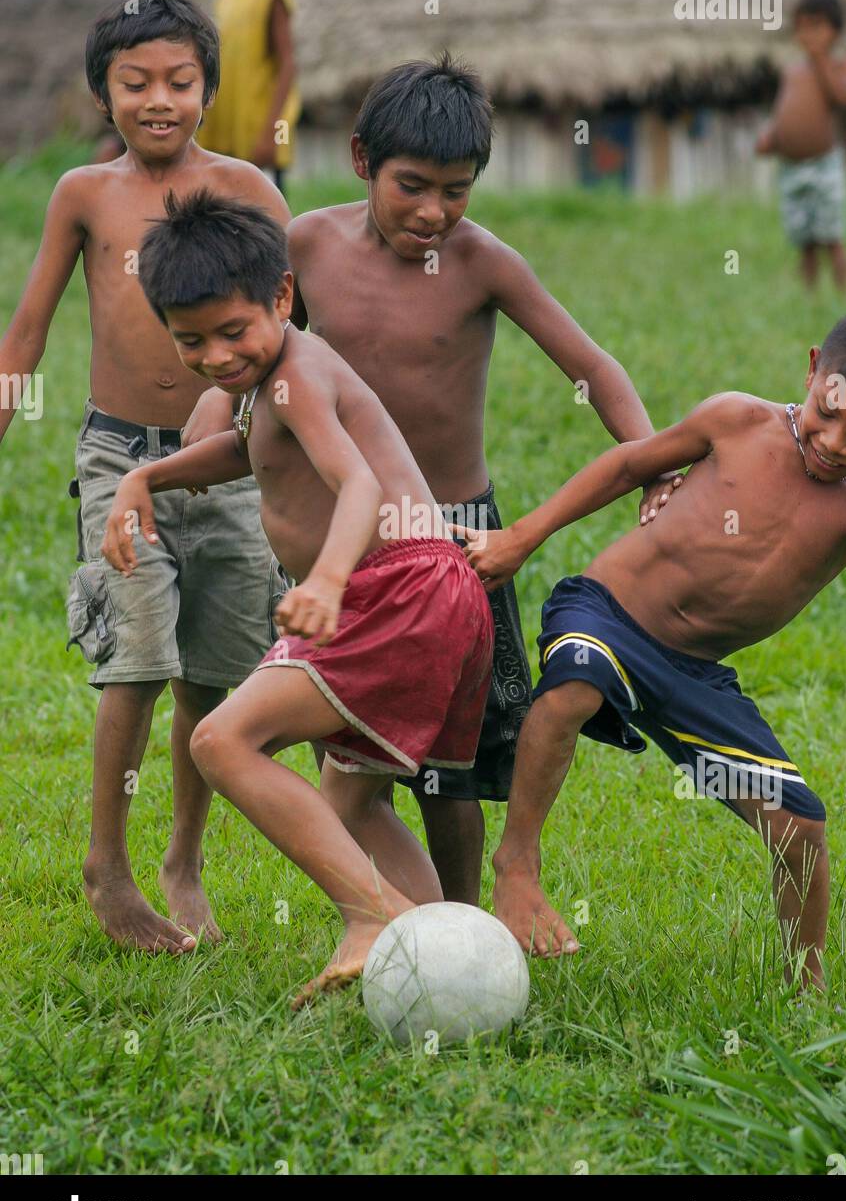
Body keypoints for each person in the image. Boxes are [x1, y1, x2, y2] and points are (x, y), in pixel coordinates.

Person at [182, 53, 680, 904]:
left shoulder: (485, 263)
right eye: (413, 185)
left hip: (457, 539)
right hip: (343, 531)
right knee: (351, 745)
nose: (434, 211)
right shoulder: (306, 246)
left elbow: (590, 364)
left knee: (459, 765)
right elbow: (253, 361)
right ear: (361, 159)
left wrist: (650, 465)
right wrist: (195, 446)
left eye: (457, 191)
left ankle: (463, 921)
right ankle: (391, 919)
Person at [101, 188, 494, 1002]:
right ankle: (448, 963)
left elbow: (354, 485)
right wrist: (145, 475)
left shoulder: (297, 377)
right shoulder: (274, 382)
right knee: (352, 803)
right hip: (436, 591)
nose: (215, 357)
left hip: (391, 589)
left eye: (233, 331)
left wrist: (325, 580)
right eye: (191, 342)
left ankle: (369, 916)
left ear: (283, 296)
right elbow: (248, 456)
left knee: (222, 742)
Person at [0, 0, 291, 954]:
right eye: (135, 84)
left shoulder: (249, 187)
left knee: (213, 674)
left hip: (233, 461)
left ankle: (183, 861)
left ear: (208, 90)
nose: (157, 99)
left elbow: (300, 325)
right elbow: (30, 330)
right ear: (103, 94)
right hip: (119, 456)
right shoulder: (83, 194)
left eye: (178, 81)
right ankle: (108, 868)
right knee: (135, 662)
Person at [464, 311, 846, 988]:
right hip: (608, 615)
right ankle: (518, 864)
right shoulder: (738, 420)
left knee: (799, 825)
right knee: (576, 681)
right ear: (812, 369)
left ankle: (809, 988)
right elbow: (626, 466)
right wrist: (523, 537)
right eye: (830, 413)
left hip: (693, 677)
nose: (835, 443)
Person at [756, 0, 846, 291]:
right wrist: (772, 137)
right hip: (791, 168)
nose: (807, 34)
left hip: (824, 166)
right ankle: (809, 294)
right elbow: (783, 112)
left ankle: (842, 292)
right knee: (805, 240)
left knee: (832, 236)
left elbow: (843, 96)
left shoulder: (841, 67)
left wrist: (822, 60)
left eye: (816, 26)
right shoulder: (792, 71)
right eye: (801, 27)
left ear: (835, 31)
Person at [196, 0, 300, 193]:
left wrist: (271, 132)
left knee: (261, 220)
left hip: (257, 133)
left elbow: (288, 65)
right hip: (223, 130)